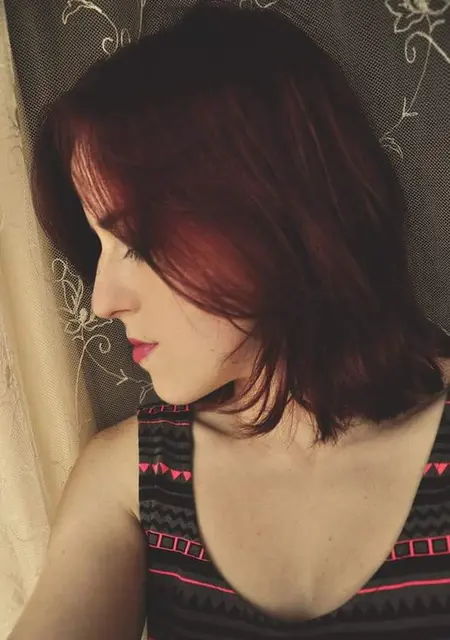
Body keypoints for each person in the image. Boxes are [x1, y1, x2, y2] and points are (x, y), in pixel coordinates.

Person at [9, 4, 450, 639]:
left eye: (135, 241)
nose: (102, 301)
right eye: (98, 246)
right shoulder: (130, 480)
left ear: (267, 209)